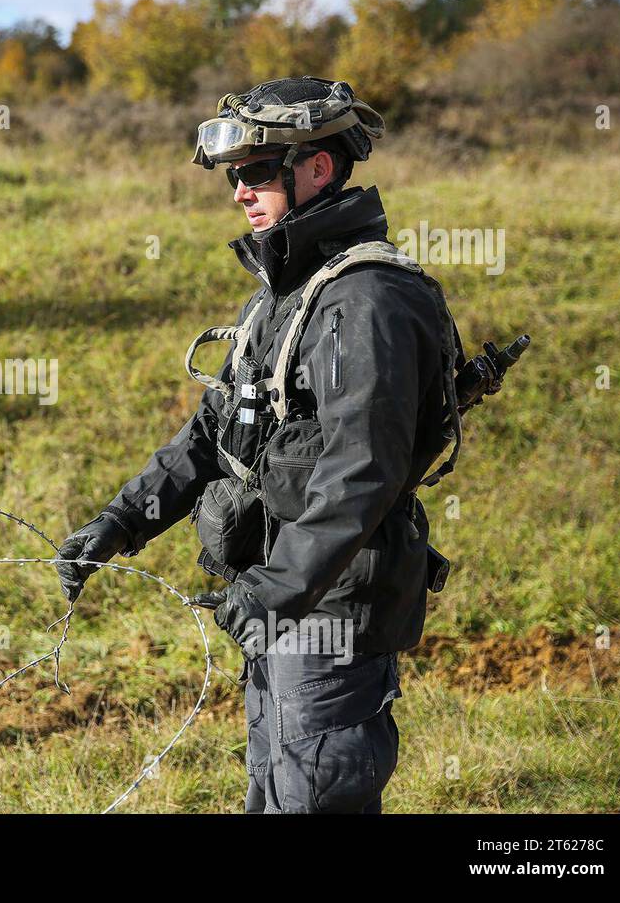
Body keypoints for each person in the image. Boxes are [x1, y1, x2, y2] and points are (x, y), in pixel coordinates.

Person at [55, 77, 467, 813]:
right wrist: (121, 521)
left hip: (332, 609)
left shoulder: (365, 300)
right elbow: (218, 431)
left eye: (255, 171)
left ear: (318, 167)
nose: (239, 192)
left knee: (311, 801)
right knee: (274, 797)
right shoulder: (286, 290)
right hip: (283, 597)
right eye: (234, 175)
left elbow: (361, 472)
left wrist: (278, 591)